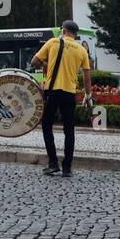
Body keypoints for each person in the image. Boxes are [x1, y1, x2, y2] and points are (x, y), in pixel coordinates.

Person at [30, 19, 93, 177]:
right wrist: (88, 95)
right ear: (75, 34)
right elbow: (86, 76)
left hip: (52, 91)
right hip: (69, 93)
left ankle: (53, 164)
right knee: (69, 131)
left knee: (46, 126)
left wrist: (46, 65)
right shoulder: (81, 50)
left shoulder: (52, 42)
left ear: (63, 31)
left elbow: (34, 62)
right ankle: (67, 168)